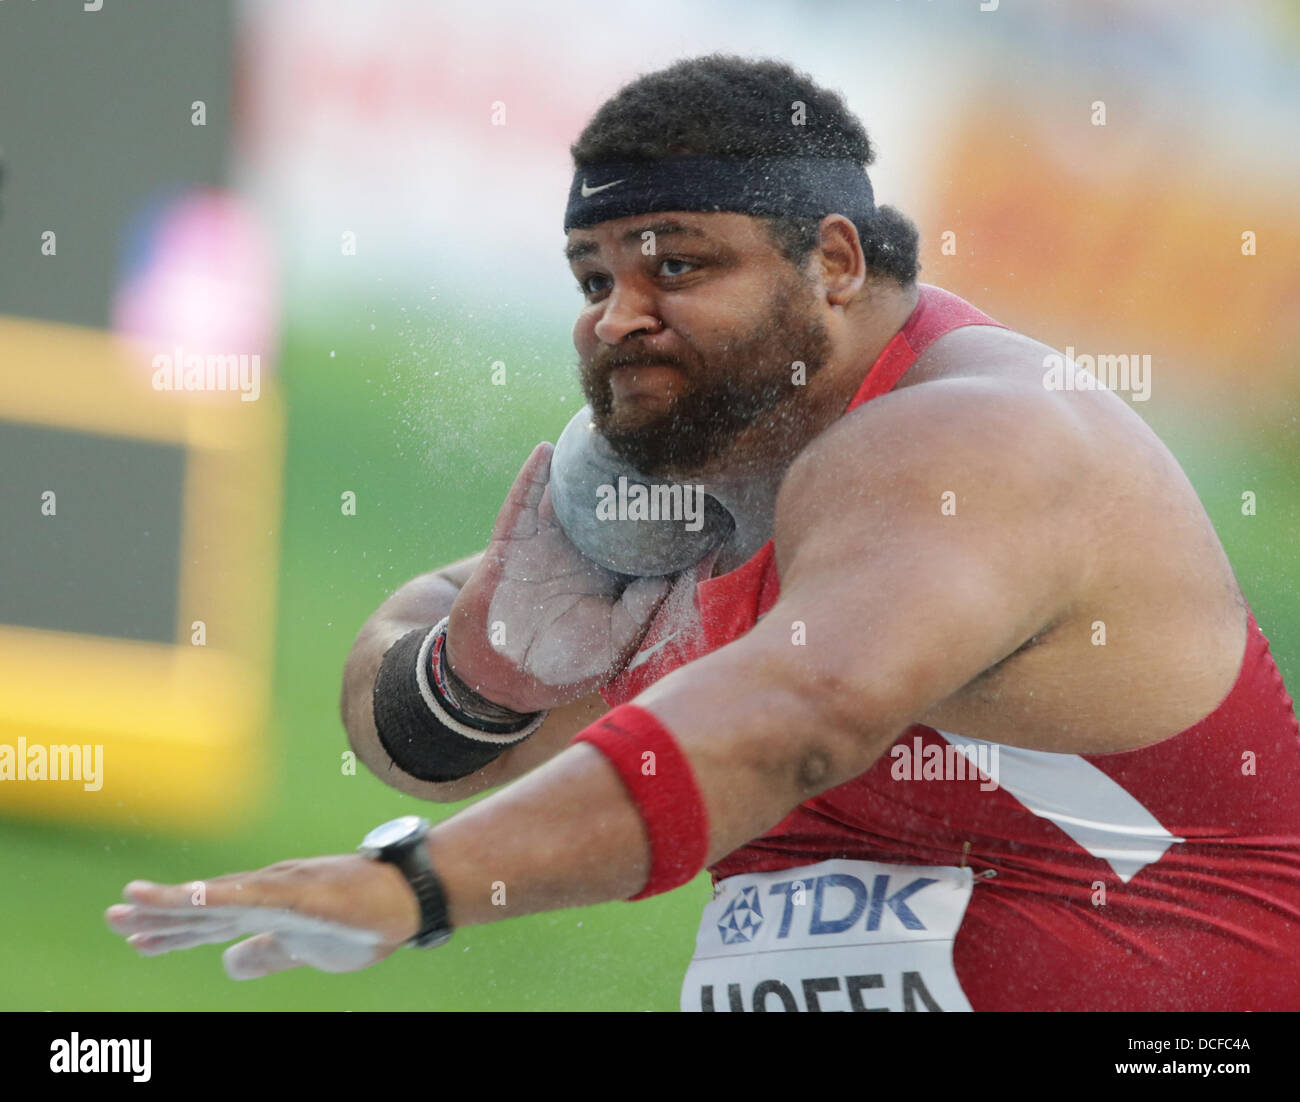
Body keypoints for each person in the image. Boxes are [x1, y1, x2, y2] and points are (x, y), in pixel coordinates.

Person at [106, 55, 1300, 1011]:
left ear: (832, 262)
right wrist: (477, 678)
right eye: (592, 279)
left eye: (676, 264)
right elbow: (409, 729)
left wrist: (416, 886)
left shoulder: (978, 444)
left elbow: (794, 720)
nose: (621, 318)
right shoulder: (708, 457)